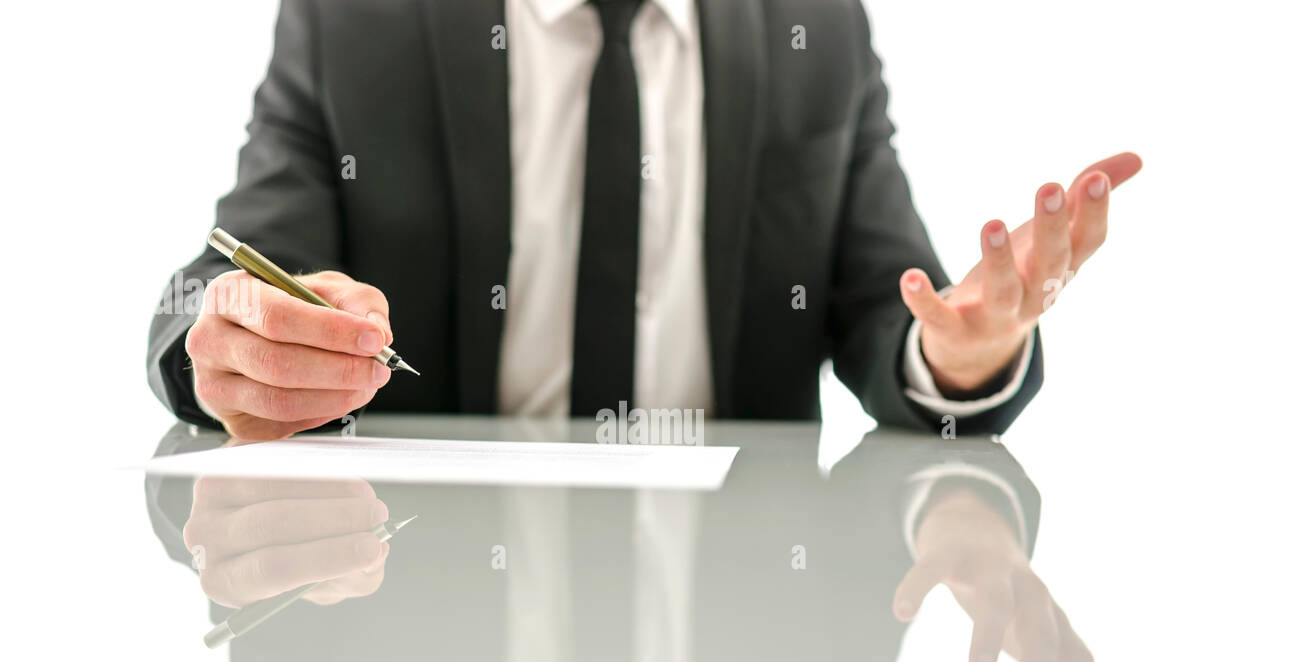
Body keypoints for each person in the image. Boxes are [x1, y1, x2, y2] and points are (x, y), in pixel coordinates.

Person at [147, 0, 1141, 441]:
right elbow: (218, 282)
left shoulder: (815, 26)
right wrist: (234, 345)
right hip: (407, 603)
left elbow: (900, 314)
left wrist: (961, 355)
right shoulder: (357, 18)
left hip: (741, 602)